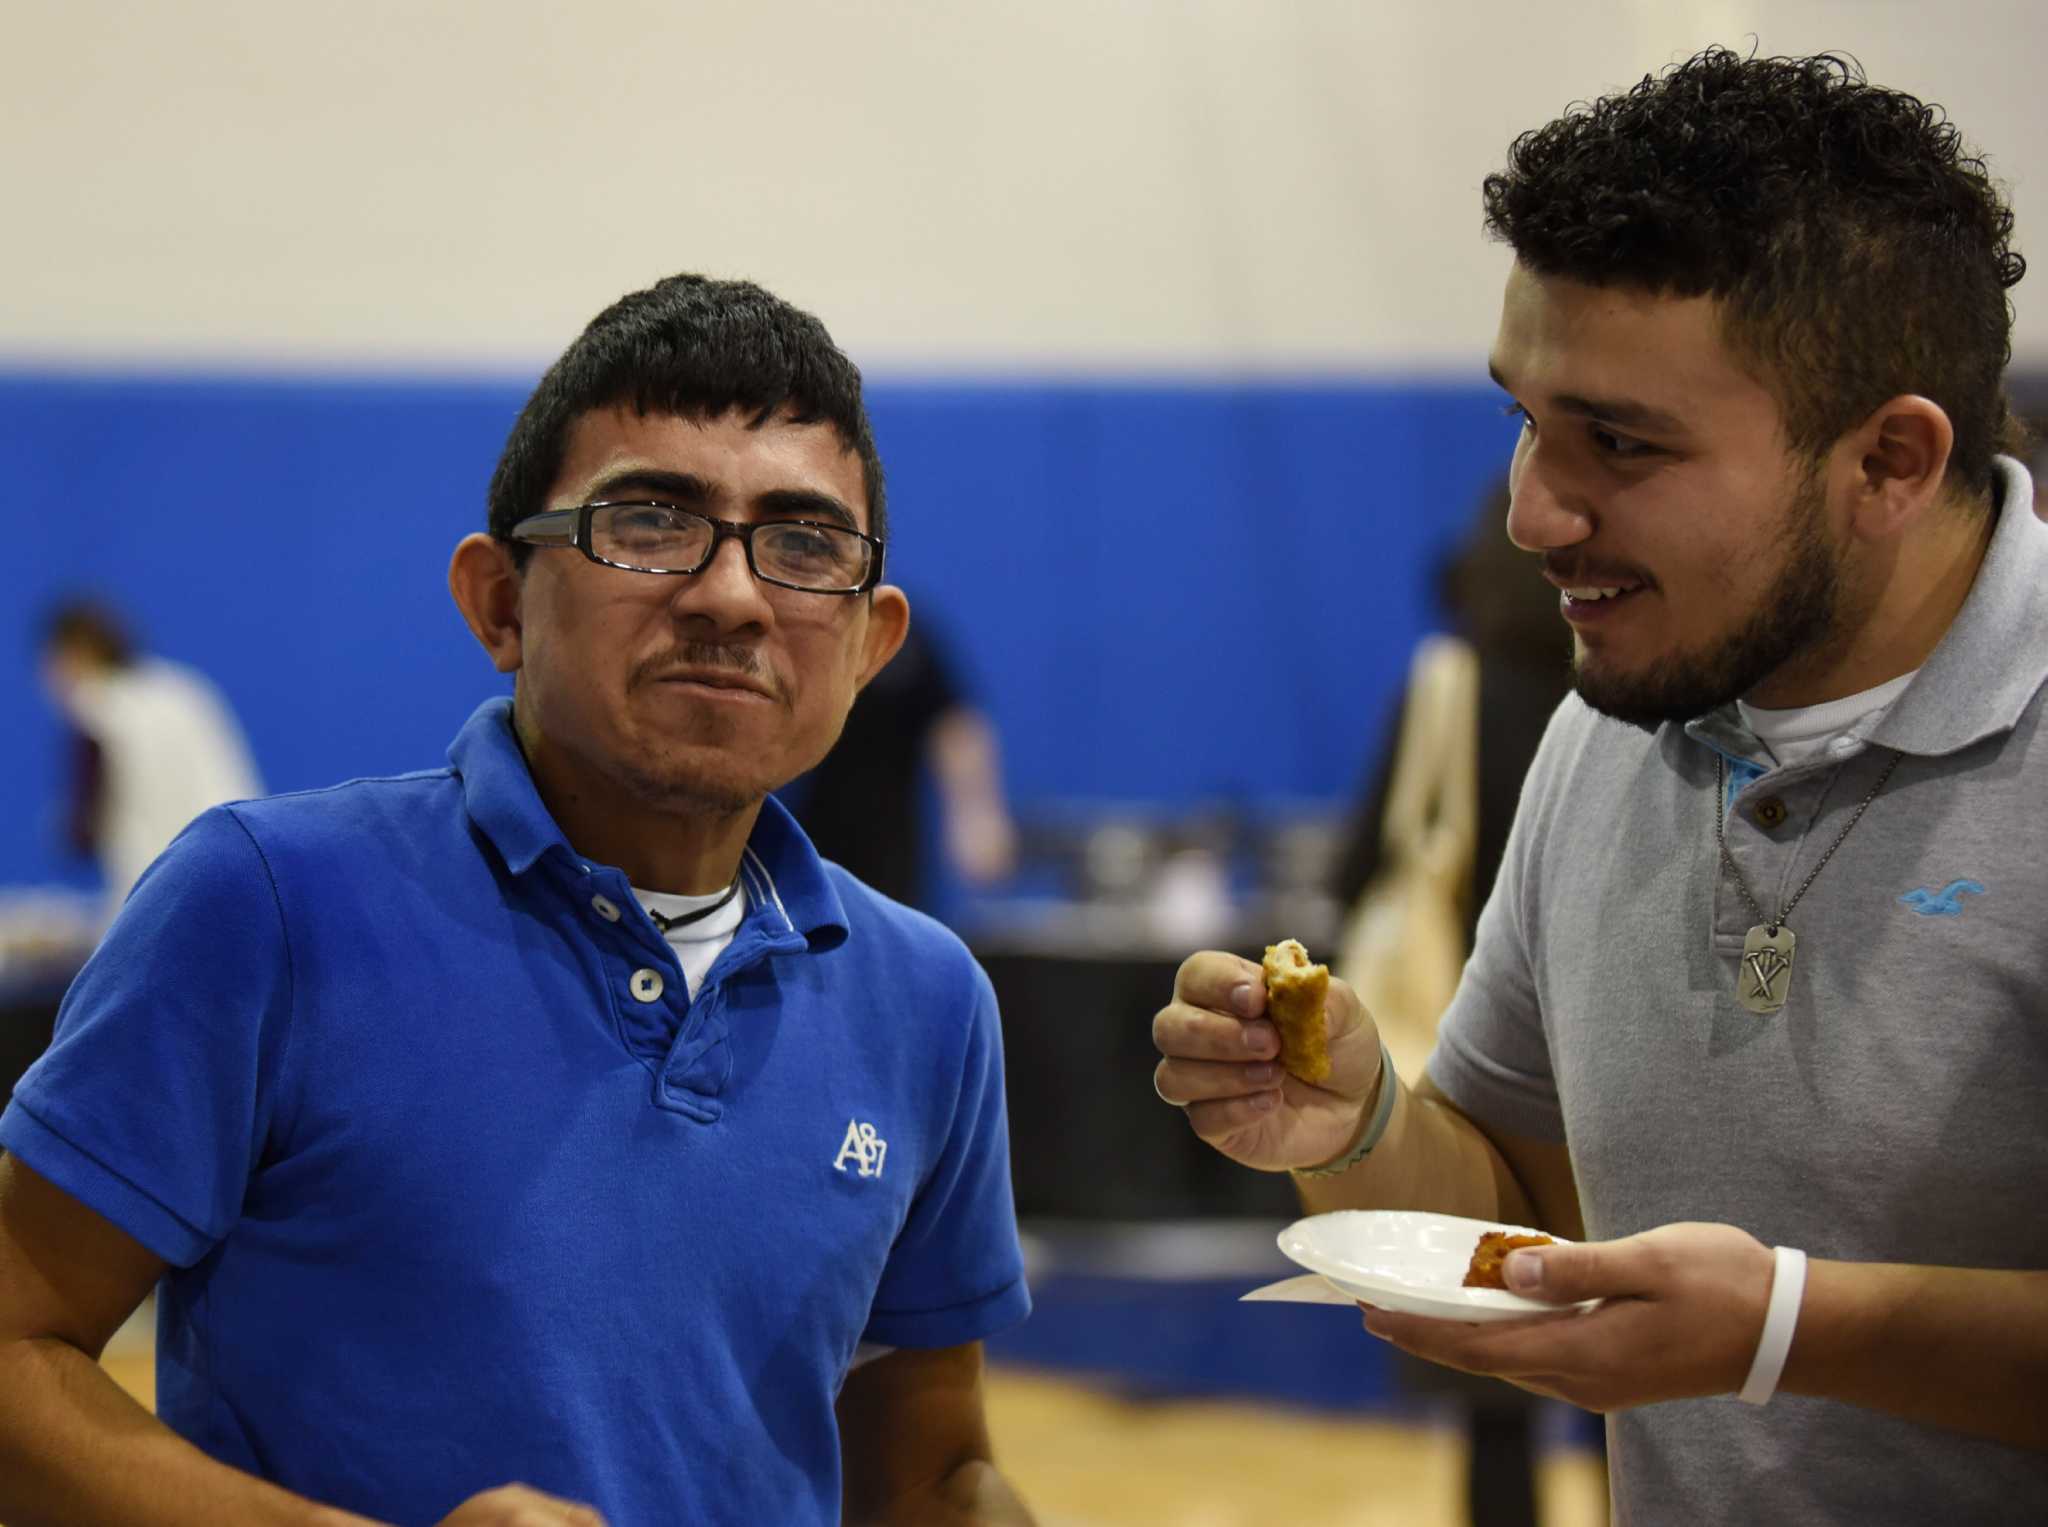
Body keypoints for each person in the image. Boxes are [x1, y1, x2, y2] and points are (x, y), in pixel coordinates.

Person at [1152, 48, 2047, 1525]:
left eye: (1621, 443)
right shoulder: (1616, 722)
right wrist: (1356, 1121)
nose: (1531, 513)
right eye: (1526, 417)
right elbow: (1527, 1220)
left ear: (1888, 460)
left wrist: (1787, 1328)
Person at [0, 275, 1035, 1526]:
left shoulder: (925, 1002)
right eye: (649, 522)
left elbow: (925, 1472)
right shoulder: (266, 906)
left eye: (804, 543)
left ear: (870, 646)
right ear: (499, 601)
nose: (731, 595)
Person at [1328, 482, 1574, 1527]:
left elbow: (1360, 865)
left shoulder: (1448, 684)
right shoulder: (1629, 692)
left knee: (1487, 1373)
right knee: (1646, 1358)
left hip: (1472, 1052)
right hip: (1602, 1045)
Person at [38, 599, 263, 921]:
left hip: (158, 904)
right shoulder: (184, 689)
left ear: (74, 654)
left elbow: (82, 832)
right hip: (245, 881)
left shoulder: (95, 708)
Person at [782, 609, 1017, 912]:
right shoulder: (805, 630)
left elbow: (954, 726)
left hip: (890, 845)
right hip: (807, 833)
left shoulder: (906, 636)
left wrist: (977, 816)